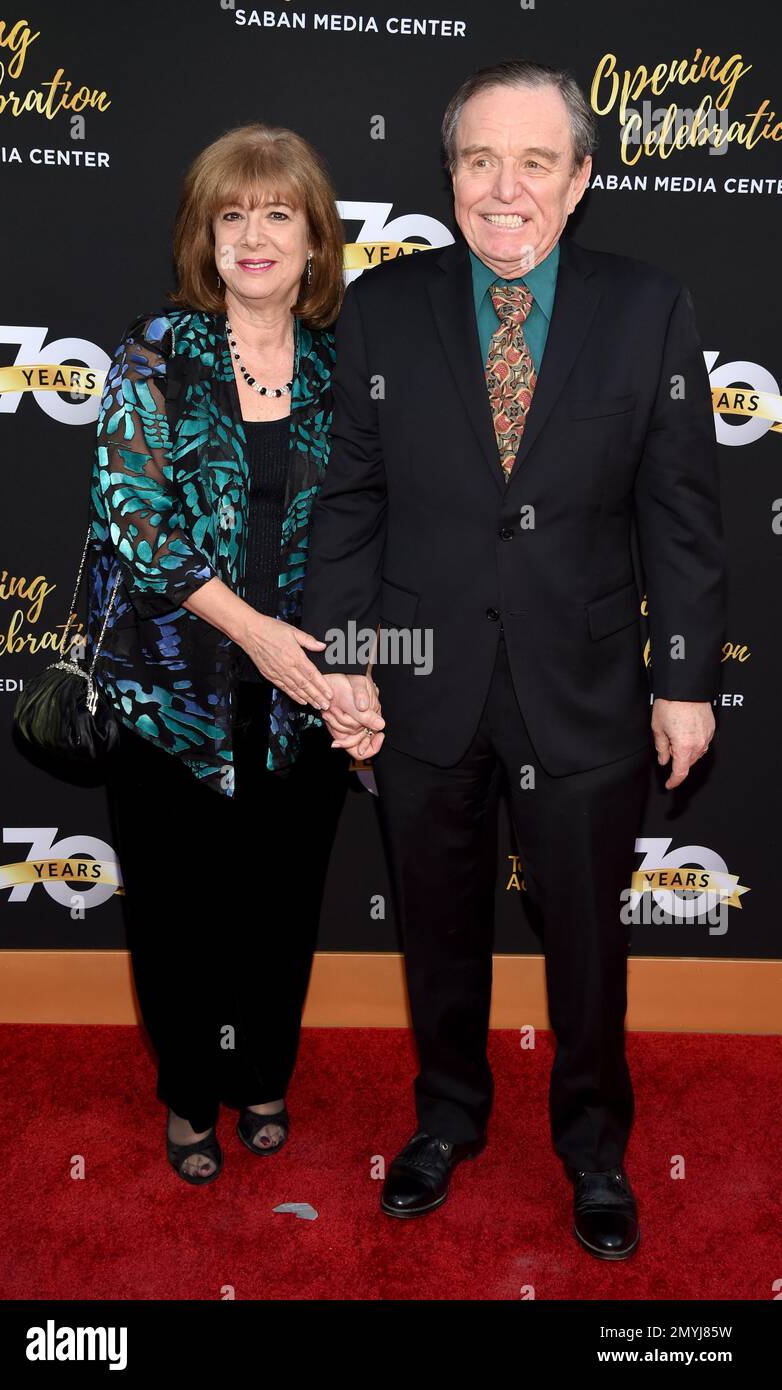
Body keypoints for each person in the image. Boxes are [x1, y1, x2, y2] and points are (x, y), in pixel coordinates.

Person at [301, 61, 726, 1258]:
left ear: (580, 179)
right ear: (448, 176)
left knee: (588, 939)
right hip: (419, 681)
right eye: (478, 159)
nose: (503, 187)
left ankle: (592, 1147)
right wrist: (349, 663)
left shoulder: (647, 308)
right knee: (435, 926)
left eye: (534, 161)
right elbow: (351, 502)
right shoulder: (384, 310)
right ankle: (444, 1120)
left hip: (583, 688)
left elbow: (680, 510)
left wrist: (684, 677)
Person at [86, 123, 379, 1184]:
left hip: (299, 702)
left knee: (280, 902)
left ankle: (261, 1073)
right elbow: (135, 516)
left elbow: (372, 536)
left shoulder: (353, 370)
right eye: (231, 216)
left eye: (278, 215)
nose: (254, 236)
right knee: (176, 912)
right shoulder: (154, 353)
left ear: (313, 241)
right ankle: (186, 1098)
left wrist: (348, 673)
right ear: (205, 239)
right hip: (171, 698)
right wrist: (253, 632)